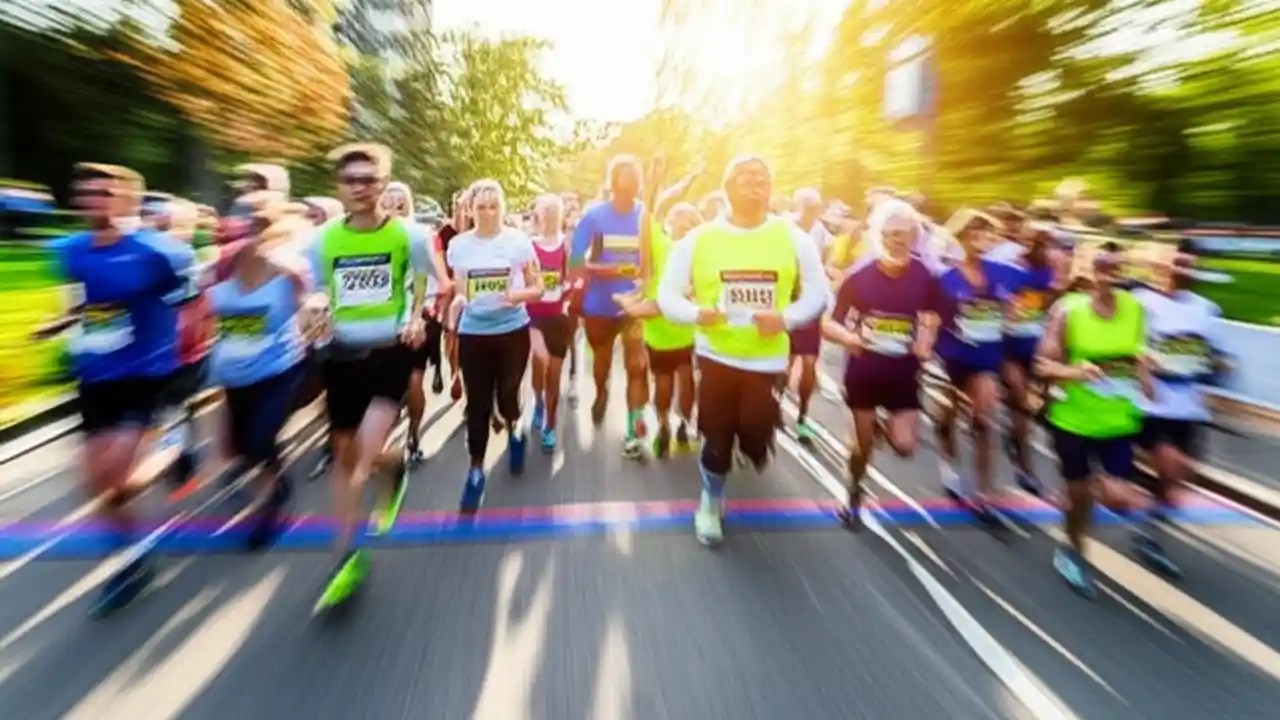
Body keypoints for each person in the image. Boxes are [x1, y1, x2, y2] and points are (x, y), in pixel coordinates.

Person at [656, 155, 828, 546]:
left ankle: (751, 444)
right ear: (728, 186)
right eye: (748, 176)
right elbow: (668, 294)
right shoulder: (701, 239)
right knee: (717, 438)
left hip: (766, 359)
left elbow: (818, 294)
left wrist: (785, 318)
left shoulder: (792, 236)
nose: (758, 181)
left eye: (764, 176)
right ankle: (710, 503)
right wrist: (696, 313)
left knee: (754, 442)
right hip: (717, 355)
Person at [51, 163, 196, 616]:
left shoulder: (158, 252)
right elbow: (80, 302)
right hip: (93, 375)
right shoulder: (71, 250)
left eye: (104, 192)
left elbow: (192, 304)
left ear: (129, 200)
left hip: (144, 375)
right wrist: (61, 322)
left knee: (118, 474)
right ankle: (132, 561)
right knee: (95, 482)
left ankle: (172, 444)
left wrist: (180, 354)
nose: (94, 199)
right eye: (86, 192)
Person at [306, 143, 429, 610]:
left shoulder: (409, 236)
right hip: (340, 357)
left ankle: (344, 556)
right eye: (350, 180)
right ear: (339, 187)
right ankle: (394, 468)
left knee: (359, 458)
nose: (360, 188)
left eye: (369, 179)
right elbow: (317, 292)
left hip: (390, 356)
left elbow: (428, 282)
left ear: (383, 181)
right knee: (345, 455)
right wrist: (313, 312)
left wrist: (418, 316)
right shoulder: (323, 241)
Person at [1035, 242, 1153, 599]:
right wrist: (1075, 371)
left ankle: (1090, 492)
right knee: (1079, 493)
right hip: (1073, 420)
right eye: (1102, 265)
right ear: (1089, 271)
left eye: (1116, 266)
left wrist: (1146, 367)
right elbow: (1042, 365)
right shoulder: (1068, 310)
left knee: (1116, 496)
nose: (1109, 272)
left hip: (1119, 419)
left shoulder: (1135, 308)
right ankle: (1072, 548)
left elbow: (1138, 354)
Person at [823, 198, 940, 529]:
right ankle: (854, 493)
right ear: (877, 236)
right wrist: (849, 339)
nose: (897, 240)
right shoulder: (859, 277)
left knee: (905, 447)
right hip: (865, 371)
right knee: (861, 449)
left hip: (904, 373)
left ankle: (879, 428)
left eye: (903, 234)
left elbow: (932, 314)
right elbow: (828, 323)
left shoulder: (924, 276)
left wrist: (926, 338)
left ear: (914, 237)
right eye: (890, 234)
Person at [207, 191, 310, 548]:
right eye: (246, 222)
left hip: (278, 369)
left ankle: (270, 509)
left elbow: (309, 311)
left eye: (260, 224)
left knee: (261, 437)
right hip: (235, 376)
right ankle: (276, 482)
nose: (251, 231)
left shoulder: (289, 270)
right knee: (242, 448)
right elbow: (205, 314)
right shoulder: (219, 268)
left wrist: (314, 313)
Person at [1131, 244, 1229, 571]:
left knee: (1180, 479)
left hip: (1190, 407)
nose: (1177, 273)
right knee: (1171, 467)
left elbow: (1218, 357)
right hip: (1153, 404)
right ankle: (1146, 527)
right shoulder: (1142, 303)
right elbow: (1128, 345)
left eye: (1185, 267)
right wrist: (1143, 365)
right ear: (1160, 268)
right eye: (1172, 266)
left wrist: (1216, 365)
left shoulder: (1207, 310)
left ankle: (1148, 518)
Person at [447, 179, 543, 512]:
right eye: (481, 207)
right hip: (474, 333)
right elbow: (461, 289)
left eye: (493, 206)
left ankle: (516, 428)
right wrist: (457, 304)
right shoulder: (459, 245)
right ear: (470, 210)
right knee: (478, 404)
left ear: (501, 208)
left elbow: (538, 287)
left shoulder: (518, 243)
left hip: (512, 330)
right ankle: (475, 471)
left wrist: (514, 296)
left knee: (507, 392)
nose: (487, 213)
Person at [932, 209, 1021, 522]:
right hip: (954, 356)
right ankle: (947, 459)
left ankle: (984, 493)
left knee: (984, 420)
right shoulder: (946, 279)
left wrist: (1012, 311)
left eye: (985, 235)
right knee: (949, 415)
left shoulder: (1002, 272)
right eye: (973, 235)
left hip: (986, 358)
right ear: (961, 239)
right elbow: (935, 321)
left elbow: (1037, 287)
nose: (980, 241)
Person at [617, 157, 701, 458]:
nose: (687, 224)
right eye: (686, 220)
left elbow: (650, 212)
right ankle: (680, 424)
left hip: (659, 324)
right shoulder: (700, 247)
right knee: (686, 375)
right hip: (684, 324)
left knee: (663, 379)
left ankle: (664, 422)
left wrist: (660, 187)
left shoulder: (661, 241)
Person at [571, 155, 650, 460]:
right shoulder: (594, 217)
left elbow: (655, 258)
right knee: (601, 362)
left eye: (635, 176)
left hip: (634, 306)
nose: (629, 182)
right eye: (623, 176)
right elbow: (575, 260)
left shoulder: (646, 216)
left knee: (637, 366)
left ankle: (634, 431)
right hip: (600, 305)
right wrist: (597, 269)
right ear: (613, 180)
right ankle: (601, 390)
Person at [381, 181, 450, 465]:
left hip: (418, 318)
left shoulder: (423, 236)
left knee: (413, 382)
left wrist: (424, 312)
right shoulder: (373, 237)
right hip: (382, 322)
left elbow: (437, 278)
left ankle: (414, 436)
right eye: (390, 200)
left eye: (402, 201)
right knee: (384, 388)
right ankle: (382, 442)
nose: (396, 206)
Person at [785, 187, 833, 443]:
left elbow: (823, 264)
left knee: (810, 363)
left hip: (810, 303)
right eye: (808, 207)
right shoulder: (784, 228)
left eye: (816, 208)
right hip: (788, 301)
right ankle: (777, 403)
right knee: (787, 362)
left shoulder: (821, 231)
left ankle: (803, 417)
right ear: (798, 206)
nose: (813, 212)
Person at [527, 193, 572, 452]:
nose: (552, 217)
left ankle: (550, 425)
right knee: (539, 362)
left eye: (556, 212)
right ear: (538, 217)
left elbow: (575, 278)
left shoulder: (567, 247)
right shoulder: (529, 246)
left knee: (554, 372)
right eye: (547, 212)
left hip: (557, 317)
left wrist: (569, 291)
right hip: (534, 317)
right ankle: (537, 400)